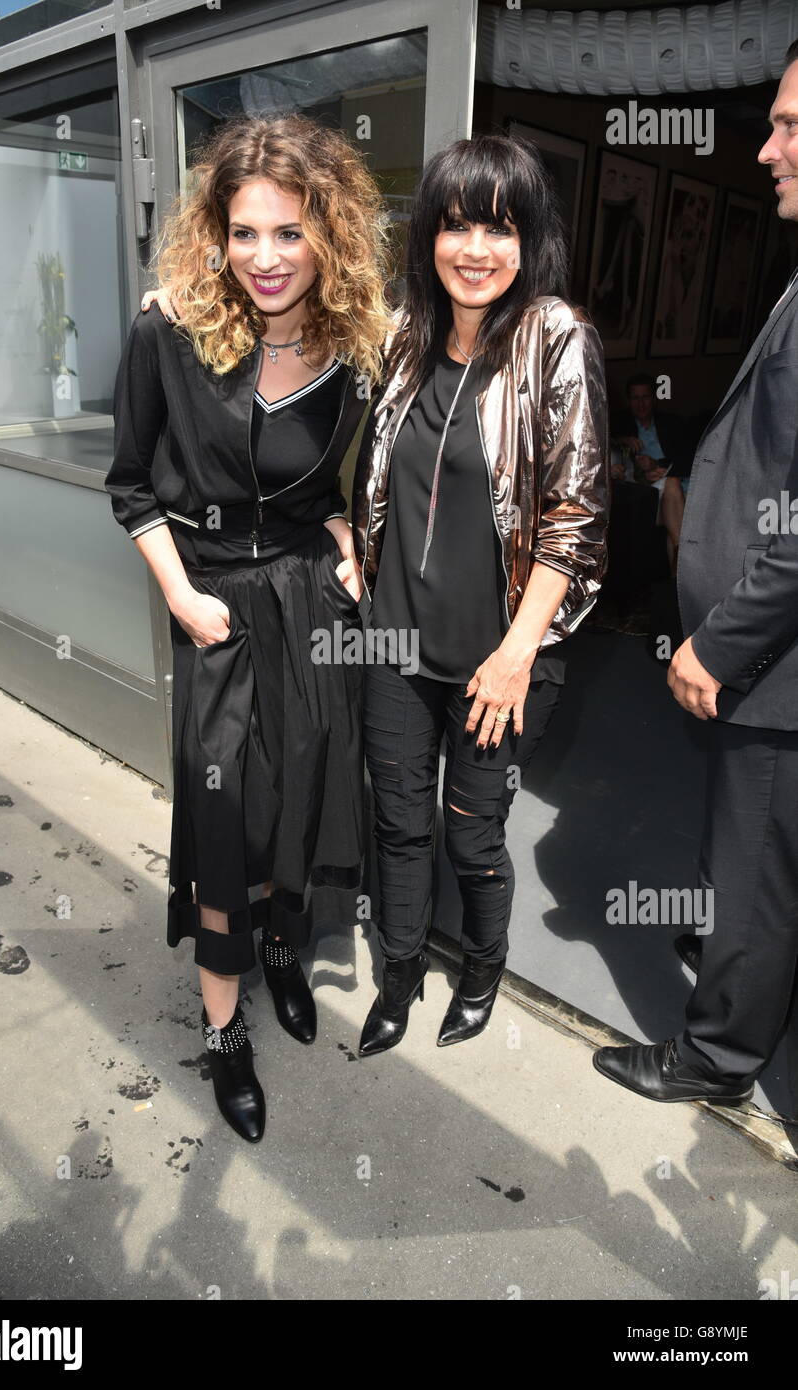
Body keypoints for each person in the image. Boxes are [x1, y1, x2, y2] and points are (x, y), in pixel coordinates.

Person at [106, 113, 392, 1142]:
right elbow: (130, 485)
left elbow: (335, 486)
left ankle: (282, 947)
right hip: (217, 609)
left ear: (331, 232)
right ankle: (224, 1033)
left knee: (301, 796)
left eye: (289, 232)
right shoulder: (168, 335)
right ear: (214, 235)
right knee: (225, 820)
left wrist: (352, 538)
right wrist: (182, 597)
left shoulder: (354, 350)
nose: (266, 258)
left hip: (313, 610)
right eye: (244, 233)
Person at [351, 132, 610, 1055]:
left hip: (497, 664)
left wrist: (513, 657)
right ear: (427, 235)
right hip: (393, 647)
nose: (474, 248)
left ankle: (481, 969)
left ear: (527, 238)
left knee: (469, 835)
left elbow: (573, 523)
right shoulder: (405, 340)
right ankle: (396, 974)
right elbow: (288, 326)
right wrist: (176, 305)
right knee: (397, 824)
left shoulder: (553, 341)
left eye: (498, 228)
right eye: (455, 224)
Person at [594, 38, 798, 1108]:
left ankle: (715, 1056)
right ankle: (737, 961)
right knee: (756, 866)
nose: (767, 149)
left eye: (791, 126)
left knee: (757, 867)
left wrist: (717, 642)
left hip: (774, 672)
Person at [611, 373, 691, 573]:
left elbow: (689, 455)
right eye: (635, 398)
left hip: (675, 480)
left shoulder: (671, 423)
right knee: (672, 489)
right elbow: (603, 442)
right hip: (645, 488)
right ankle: (681, 556)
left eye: (645, 397)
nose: (641, 404)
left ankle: (676, 569)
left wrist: (659, 464)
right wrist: (622, 440)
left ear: (654, 399)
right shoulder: (621, 424)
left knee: (672, 487)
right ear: (629, 401)